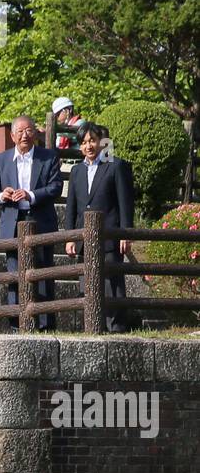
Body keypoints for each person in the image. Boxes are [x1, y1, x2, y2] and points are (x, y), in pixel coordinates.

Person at [0, 114, 63, 330]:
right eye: (20, 131)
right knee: (14, 275)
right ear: (12, 136)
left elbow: (55, 187)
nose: (24, 135)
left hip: (39, 220)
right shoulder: (1, 159)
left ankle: (45, 325)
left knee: (44, 273)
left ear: (36, 134)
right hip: (12, 222)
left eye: (29, 130)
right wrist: (3, 195)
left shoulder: (48, 157)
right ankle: (16, 324)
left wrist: (30, 194)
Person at [63, 122, 136, 333]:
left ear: (101, 142)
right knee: (86, 282)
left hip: (110, 234)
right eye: (84, 142)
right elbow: (71, 207)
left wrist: (125, 233)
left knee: (111, 282)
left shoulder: (115, 166)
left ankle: (116, 327)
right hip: (83, 237)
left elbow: (125, 202)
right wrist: (70, 236)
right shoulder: (76, 171)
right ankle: (92, 326)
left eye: (92, 141)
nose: (88, 146)